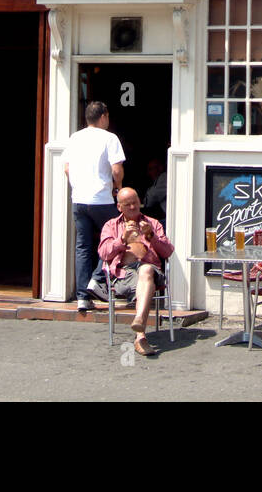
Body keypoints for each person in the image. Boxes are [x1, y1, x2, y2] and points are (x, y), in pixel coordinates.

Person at [97, 187, 175, 357]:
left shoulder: (152, 223)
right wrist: (122, 239)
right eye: (128, 204)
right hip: (123, 275)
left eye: (135, 203)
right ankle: (140, 332)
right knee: (143, 280)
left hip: (151, 272)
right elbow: (103, 253)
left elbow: (168, 251)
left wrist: (151, 236)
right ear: (119, 207)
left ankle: (140, 332)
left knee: (146, 270)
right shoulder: (111, 226)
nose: (133, 207)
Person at [65, 100, 125, 312]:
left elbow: (67, 168)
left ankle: (82, 297)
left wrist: (77, 186)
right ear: (103, 116)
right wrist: (118, 188)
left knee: (83, 246)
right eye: (107, 116)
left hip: (79, 200)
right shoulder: (109, 138)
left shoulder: (75, 138)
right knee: (118, 237)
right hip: (102, 198)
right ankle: (97, 279)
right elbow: (116, 170)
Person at [142, 157, 168, 221]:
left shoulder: (164, 177)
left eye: (151, 169)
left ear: (160, 168)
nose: (149, 173)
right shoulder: (158, 179)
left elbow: (152, 197)